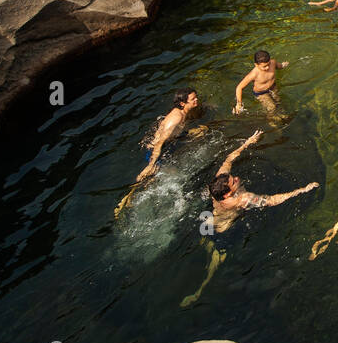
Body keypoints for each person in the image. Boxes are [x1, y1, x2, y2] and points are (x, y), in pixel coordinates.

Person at [181, 130, 320, 307]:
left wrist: (249, 142)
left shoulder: (217, 184)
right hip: (224, 233)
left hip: (206, 222)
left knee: (205, 246)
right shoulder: (241, 200)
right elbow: (271, 201)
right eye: (234, 182)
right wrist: (302, 190)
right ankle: (199, 291)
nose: (237, 178)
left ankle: (203, 255)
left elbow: (228, 159)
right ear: (226, 195)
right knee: (213, 265)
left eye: (233, 178)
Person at [115, 88, 205, 216]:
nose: (196, 100)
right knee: (156, 175)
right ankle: (127, 196)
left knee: (201, 132)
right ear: (182, 103)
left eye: (196, 97)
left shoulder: (184, 112)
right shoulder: (176, 118)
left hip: (172, 141)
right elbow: (159, 142)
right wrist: (152, 162)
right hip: (158, 149)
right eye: (193, 99)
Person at [234, 49, 289, 115]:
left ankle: (282, 115)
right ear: (256, 65)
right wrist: (239, 103)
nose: (267, 67)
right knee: (271, 107)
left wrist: (283, 65)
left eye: (268, 64)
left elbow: (279, 66)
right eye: (264, 66)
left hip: (273, 87)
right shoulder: (254, 74)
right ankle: (272, 120)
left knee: (279, 101)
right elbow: (239, 87)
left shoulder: (273, 63)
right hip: (261, 93)